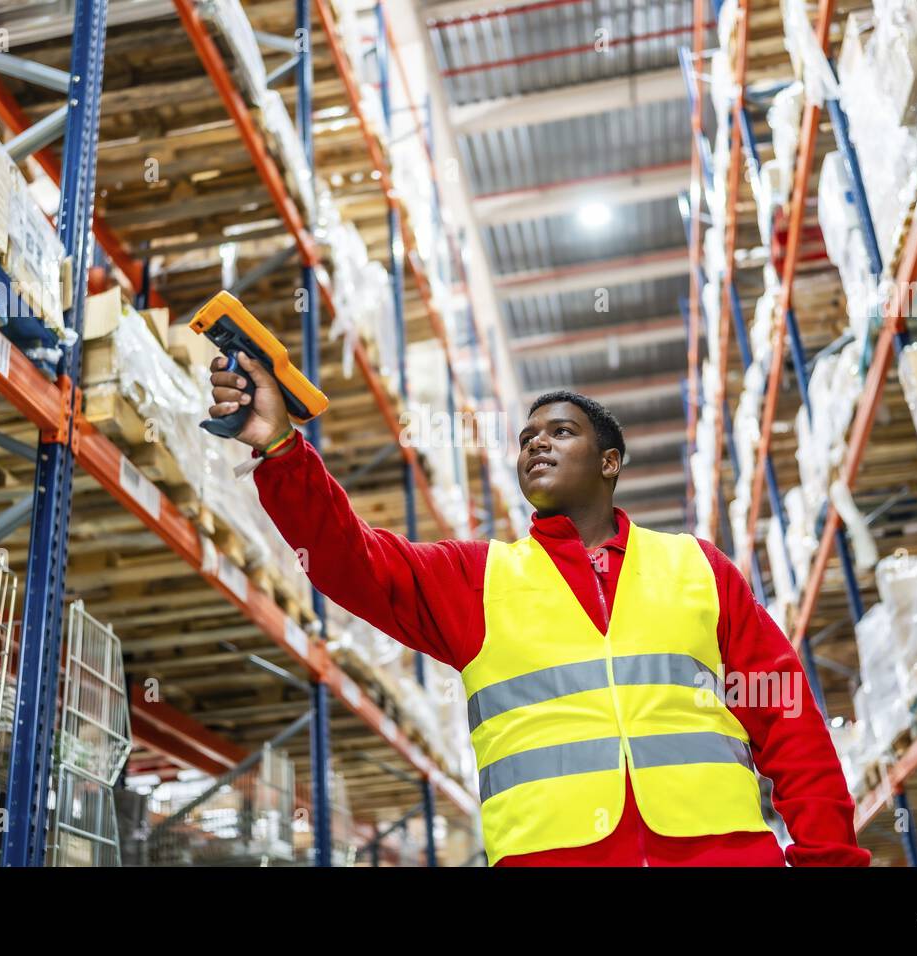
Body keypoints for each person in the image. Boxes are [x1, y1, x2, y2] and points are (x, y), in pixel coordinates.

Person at [210, 350, 870, 867]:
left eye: (561, 431)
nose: (536, 445)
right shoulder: (477, 579)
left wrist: (827, 860)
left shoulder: (698, 569)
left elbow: (789, 722)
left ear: (610, 461)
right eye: (527, 438)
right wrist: (278, 447)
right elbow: (346, 560)